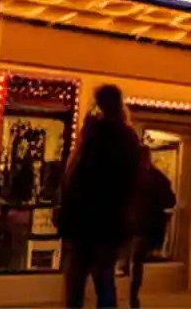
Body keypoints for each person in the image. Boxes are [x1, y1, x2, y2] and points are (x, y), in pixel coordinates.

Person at [59, 84, 143, 309]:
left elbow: (74, 176)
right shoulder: (126, 138)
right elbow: (132, 180)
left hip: (82, 218)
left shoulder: (91, 135)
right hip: (110, 218)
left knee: (76, 278)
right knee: (104, 277)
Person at [127, 146, 176, 308]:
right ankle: (133, 295)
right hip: (145, 224)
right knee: (137, 261)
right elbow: (169, 200)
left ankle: (129, 291)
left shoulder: (128, 175)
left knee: (131, 258)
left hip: (127, 223)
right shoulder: (157, 177)